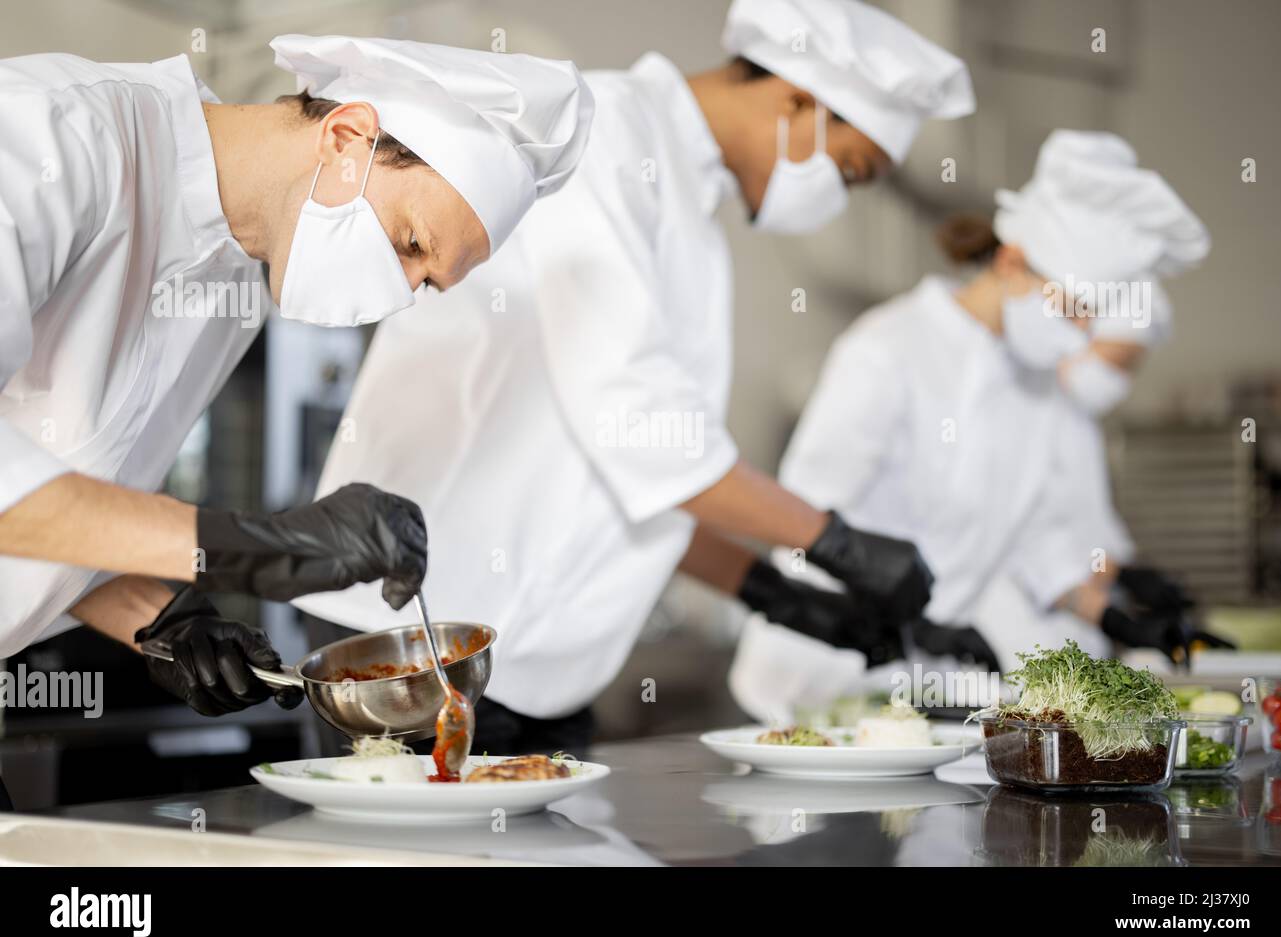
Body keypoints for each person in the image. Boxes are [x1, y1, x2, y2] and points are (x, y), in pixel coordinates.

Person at [294, 0, 976, 753]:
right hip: (417, 639)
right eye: (848, 170)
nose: (838, 198)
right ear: (797, 99)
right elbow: (637, 427)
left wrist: (780, 595)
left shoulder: (692, 218)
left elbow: (639, 482)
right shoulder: (601, 132)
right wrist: (835, 541)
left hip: (532, 669)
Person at [0, 36, 593, 719]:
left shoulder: (232, 291)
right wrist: (259, 549)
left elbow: (55, 506)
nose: (401, 288)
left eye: (424, 284)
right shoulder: (54, 139)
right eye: (411, 243)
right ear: (346, 136)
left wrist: (164, 617)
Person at [730, 130, 1231, 721]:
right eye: (1069, 308)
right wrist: (900, 614)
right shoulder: (888, 349)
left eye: (1088, 319)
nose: (1077, 333)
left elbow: (1033, 544)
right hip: (818, 674)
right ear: (1012, 262)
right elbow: (805, 516)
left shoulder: (1036, 385)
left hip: (929, 684)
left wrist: (1116, 618)